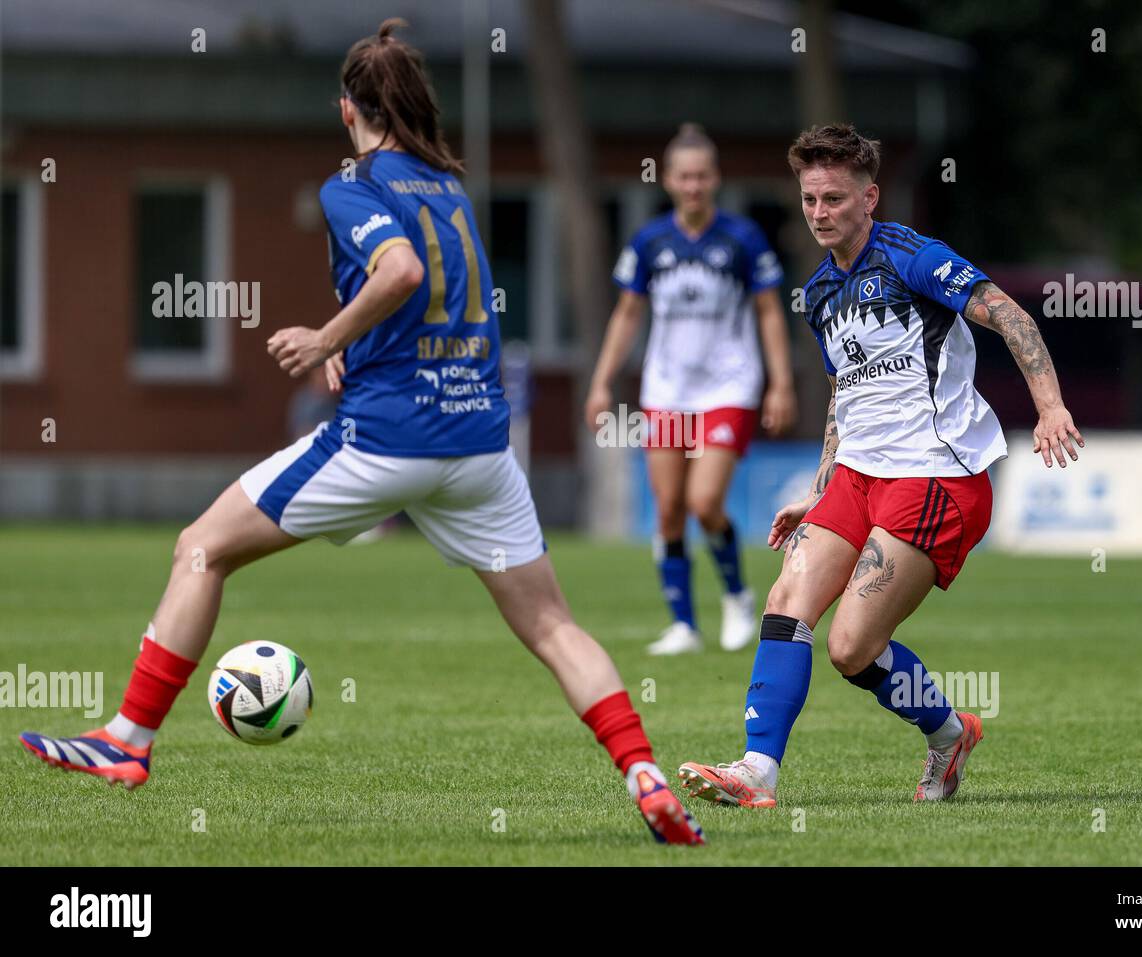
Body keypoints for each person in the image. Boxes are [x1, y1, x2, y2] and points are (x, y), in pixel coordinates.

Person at [19, 19, 703, 847]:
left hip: (387, 442)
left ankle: (126, 742)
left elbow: (402, 273)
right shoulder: (449, 190)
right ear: (416, 107)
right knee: (555, 625)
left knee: (201, 547)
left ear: (347, 111)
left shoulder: (352, 186)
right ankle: (644, 773)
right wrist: (364, 345)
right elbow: (436, 296)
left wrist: (326, 341)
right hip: (480, 447)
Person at [677, 124, 1084, 806]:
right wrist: (819, 490)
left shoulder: (912, 258)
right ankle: (756, 770)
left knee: (850, 647)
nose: (819, 213)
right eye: (809, 199)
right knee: (786, 600)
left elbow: (1010, 316)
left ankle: (950, 734)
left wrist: (1049, 406)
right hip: (858, 477)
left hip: (937, 476)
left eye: (834, 198)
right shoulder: (818, 294)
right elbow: (846, 395)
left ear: (869, 197)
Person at [585, 123, 796, 656]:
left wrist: (781, 383)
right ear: (670, 180)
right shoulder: (650, 241)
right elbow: (627, 314)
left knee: (705, 502)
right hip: (667, 391)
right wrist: (601, 382)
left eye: (703, 176)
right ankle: (683, 624)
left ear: (716, 179)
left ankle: (737, 595)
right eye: (685, 176)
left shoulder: (743, 239)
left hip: (730, 386)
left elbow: (771, 312)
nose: (694, 185)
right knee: (669, 508)